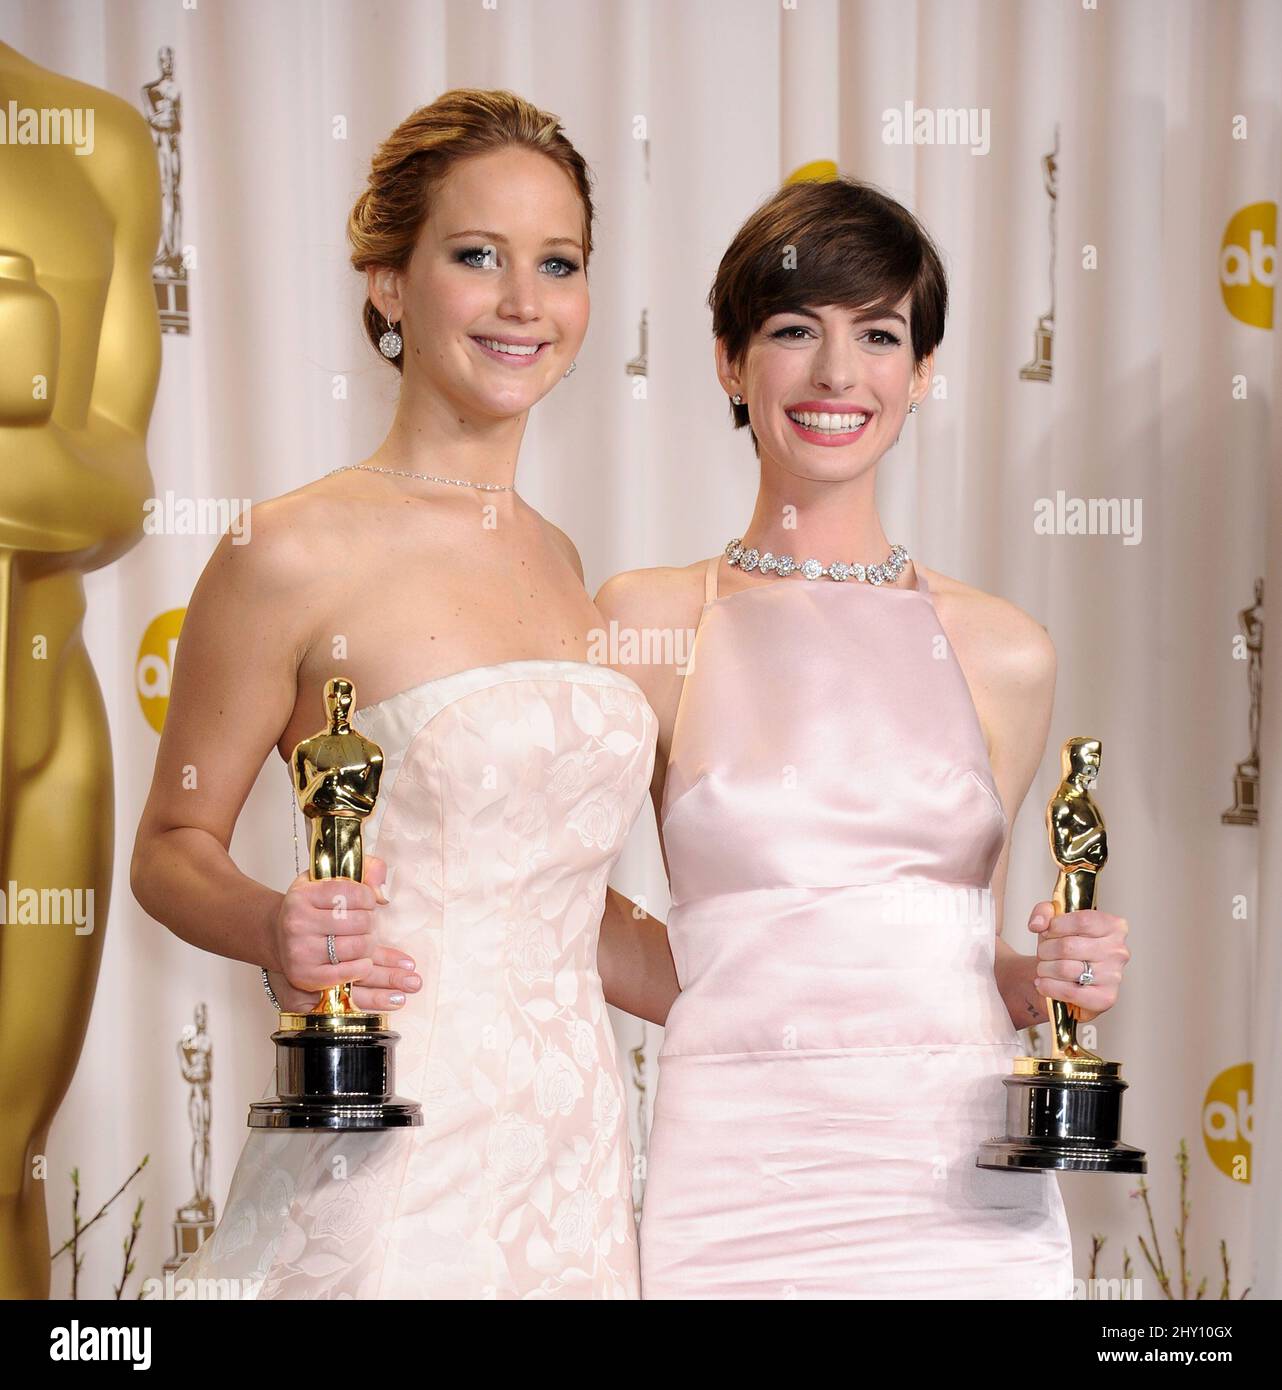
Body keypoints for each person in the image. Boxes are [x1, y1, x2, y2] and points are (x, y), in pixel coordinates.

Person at [131, 89, 677, 1300]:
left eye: (559, 263)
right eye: (476, 256)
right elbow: (170, 844)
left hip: (576, 1156)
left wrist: (820, 982)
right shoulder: (286, 549)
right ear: (387, 281)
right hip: (386, 1139)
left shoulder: (566, 561)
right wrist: (276, 927)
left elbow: (567, 909)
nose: (524, 303)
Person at [597, 177, 1132, 1299]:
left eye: (878, 334)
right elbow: (549, 894)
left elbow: (932, 949)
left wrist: (1039, 984)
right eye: (794, 330)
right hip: (734, 1191)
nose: (838, 374)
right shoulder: (648, 621)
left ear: (921, 371)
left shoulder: (1006, 651)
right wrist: (742, 993)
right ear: (729, 360)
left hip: (963, 1195)